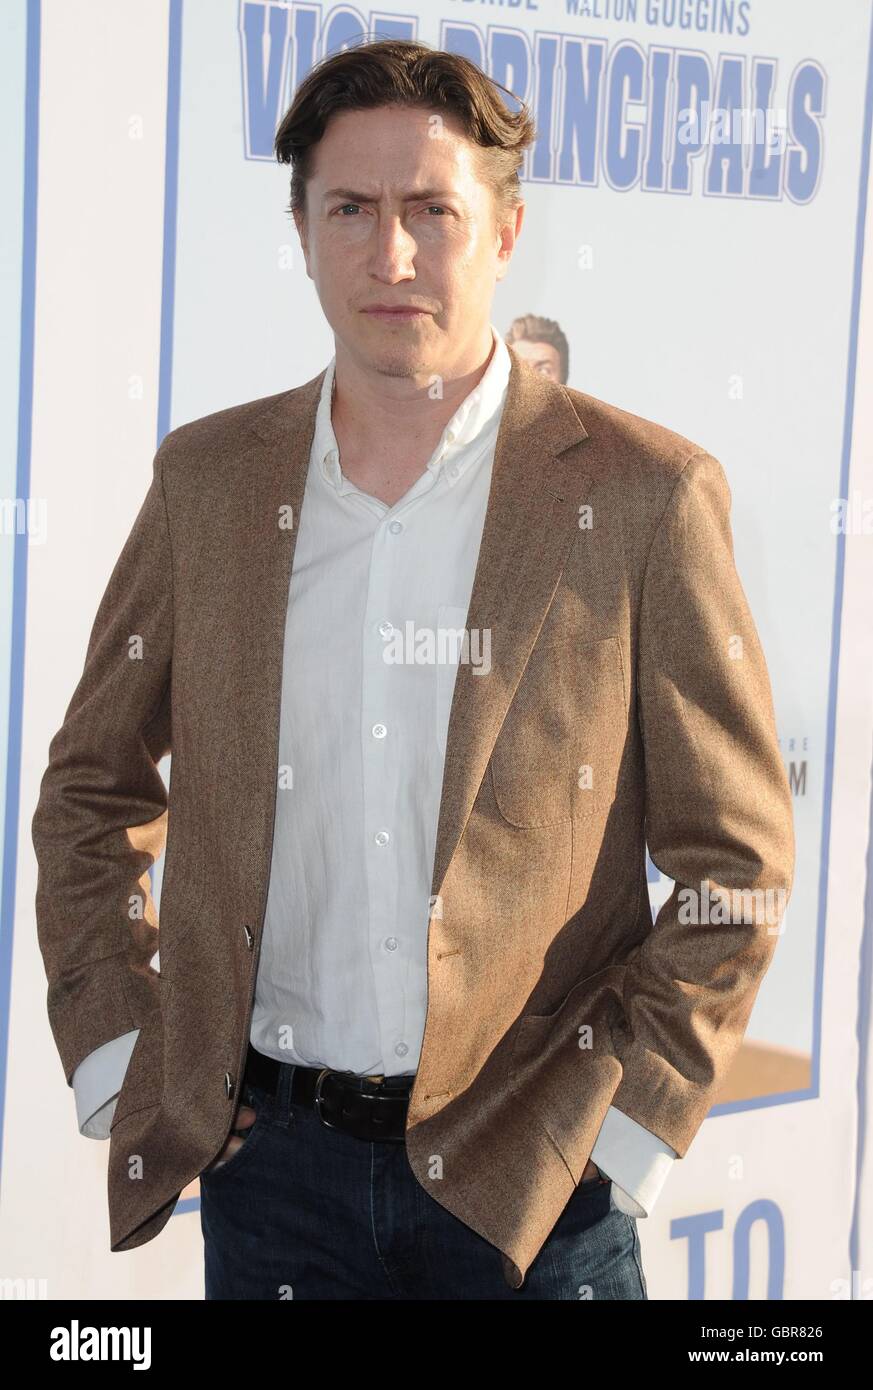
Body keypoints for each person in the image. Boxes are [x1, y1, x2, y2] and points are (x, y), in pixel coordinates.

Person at [32, 37, 794, 1300]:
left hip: (541, 1193)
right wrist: (128, 1051)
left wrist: (622, 1124)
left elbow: (741, 858)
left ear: (505, 232)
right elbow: (89, 790)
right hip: (275, 1192)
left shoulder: (646, 497)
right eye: (352, 211)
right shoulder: (206, 487)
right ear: (304, 231)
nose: (390, 257)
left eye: (431, 210)